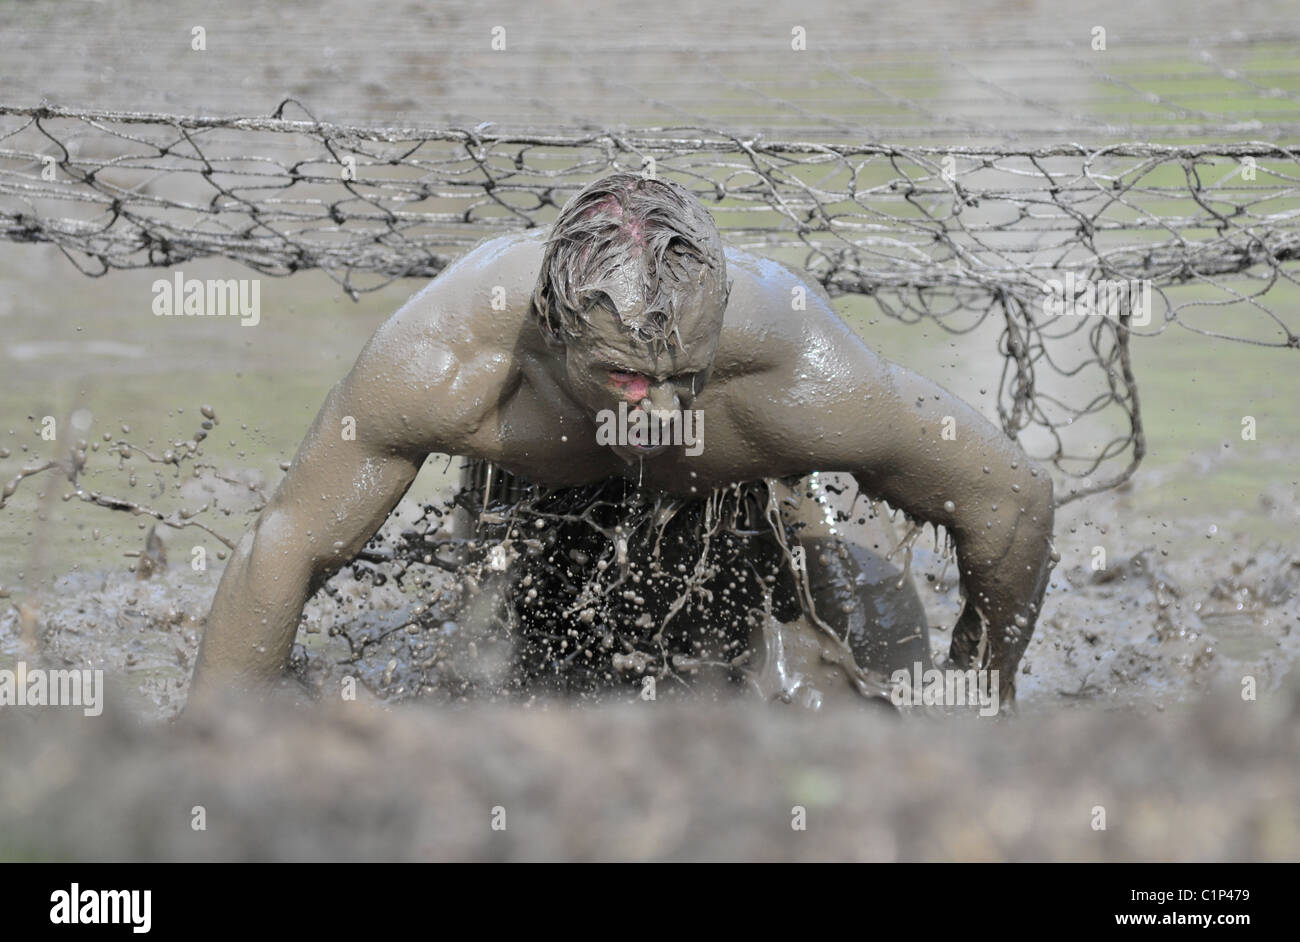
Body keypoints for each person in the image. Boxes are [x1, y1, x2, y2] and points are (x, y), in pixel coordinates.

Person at [189, 172, 1055, 708]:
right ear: (554, 331)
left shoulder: (803, 372)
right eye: (625, 378)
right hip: (523, 500)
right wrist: (212, 749)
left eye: (685, 375)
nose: (663, 410)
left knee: (828, 687)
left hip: (741, 500)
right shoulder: (445, 355)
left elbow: (1012, 500)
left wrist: (983, 697)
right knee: (488, 681)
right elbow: (287, 541)